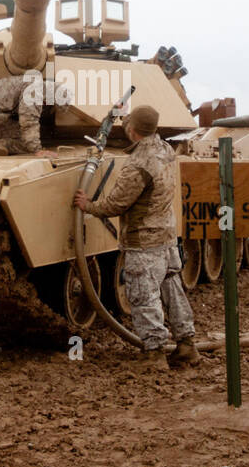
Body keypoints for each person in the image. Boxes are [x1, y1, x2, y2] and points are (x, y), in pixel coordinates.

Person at [72, 104, 198, 372]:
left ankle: (154, 354)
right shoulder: (164, 149)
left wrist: (88, 205)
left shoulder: (139, 164)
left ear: (131, 129)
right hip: (166, 237)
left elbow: (116, 204)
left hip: (144, 242)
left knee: (143, 296)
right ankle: (186, 344)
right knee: (172, 290)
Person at [0, 75, 55, 157]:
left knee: (16, 128)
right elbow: (28, 121)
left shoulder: (31, 82)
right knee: (25, 139)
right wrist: (37, 150)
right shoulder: (36, 91)